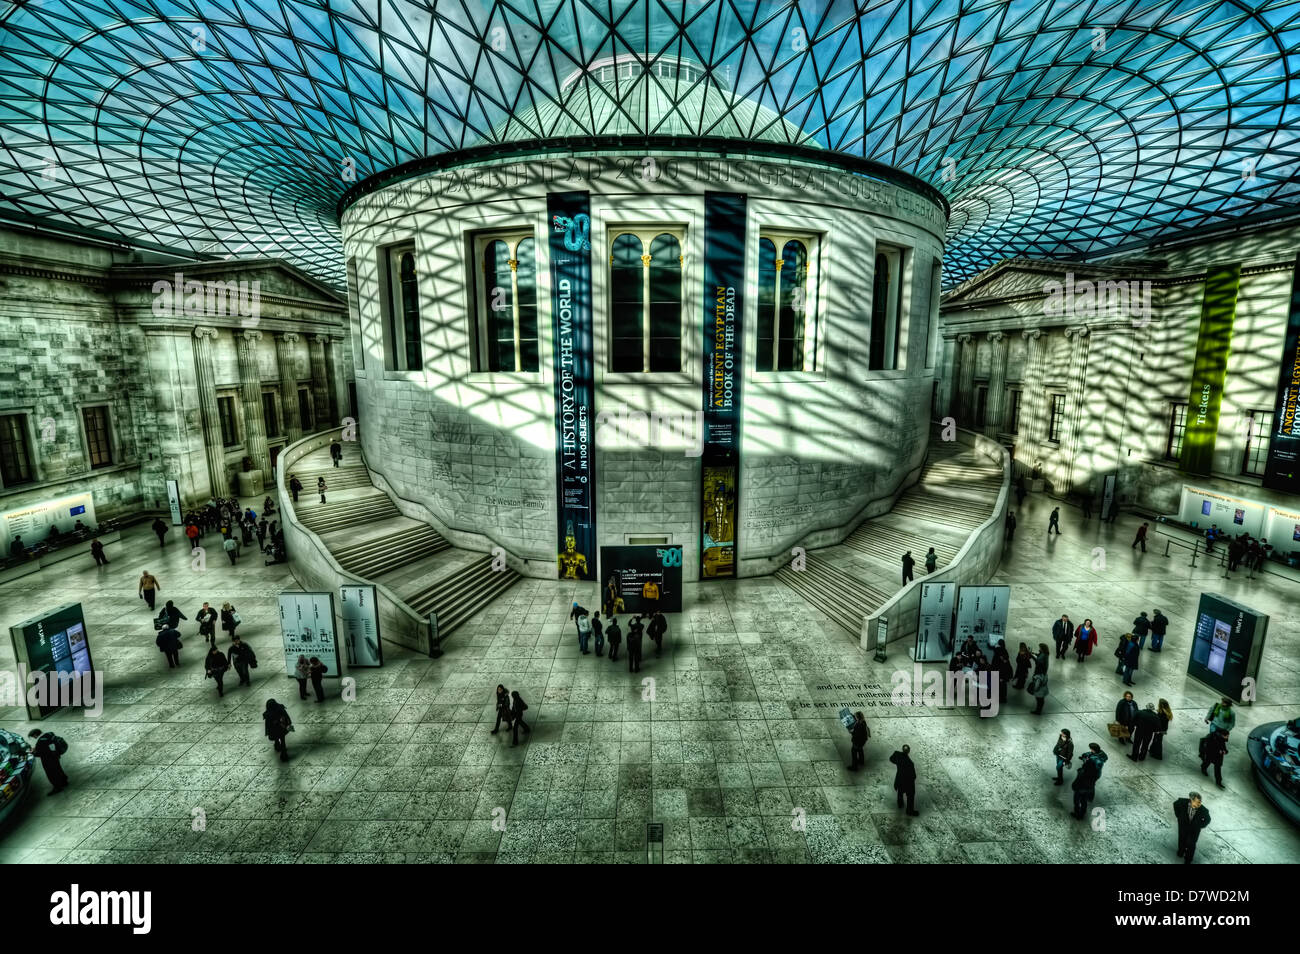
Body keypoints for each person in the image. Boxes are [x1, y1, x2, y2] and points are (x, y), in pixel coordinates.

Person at [1071, 744, 1107, 820]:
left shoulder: (1088, 768)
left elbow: (1079, 779)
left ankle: (1077, 812)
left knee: (1077, 799)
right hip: (1089, 784)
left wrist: (1082, 768)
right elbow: (1089, 755)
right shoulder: (1098, 758)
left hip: (1083, 785)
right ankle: (1081, 814)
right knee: (1084, 800)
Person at [27, 728, 69, 794]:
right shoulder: (48, 734)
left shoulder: (41, 741)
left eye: (33, 736)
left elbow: (42, 753)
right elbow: (48, 746)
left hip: (48, 760)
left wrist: (33, 753)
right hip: (55, 756)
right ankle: (64, 781)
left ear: (35, 735)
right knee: (58, 768)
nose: (34, 738)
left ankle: (57, 787)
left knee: (51, 773)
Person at [1174, 793, 1211, 863]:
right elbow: (1175, 804)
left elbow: (1208, 819)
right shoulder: (1182, 802)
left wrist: (1200, 825)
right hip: (1183, 825)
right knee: (1182, 838)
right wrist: (1178, 816)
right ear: (1191, 800)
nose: (1199, 804)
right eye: (1197, 802)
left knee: (1191, 844)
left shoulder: (1203, 810)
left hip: (1194, 830)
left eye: (1200, 802)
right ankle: (1181, 851)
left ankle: (1188, 859)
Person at [889, 744, 919, 815]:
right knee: (910, 795)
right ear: (909, 751)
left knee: (900, 791)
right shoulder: (910, 763)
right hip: (907, 781)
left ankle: (900, 804)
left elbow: (891, 759)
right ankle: (909, 811)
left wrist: (897, 762)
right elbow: (913, 775)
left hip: (899, 778)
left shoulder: (897, 755)